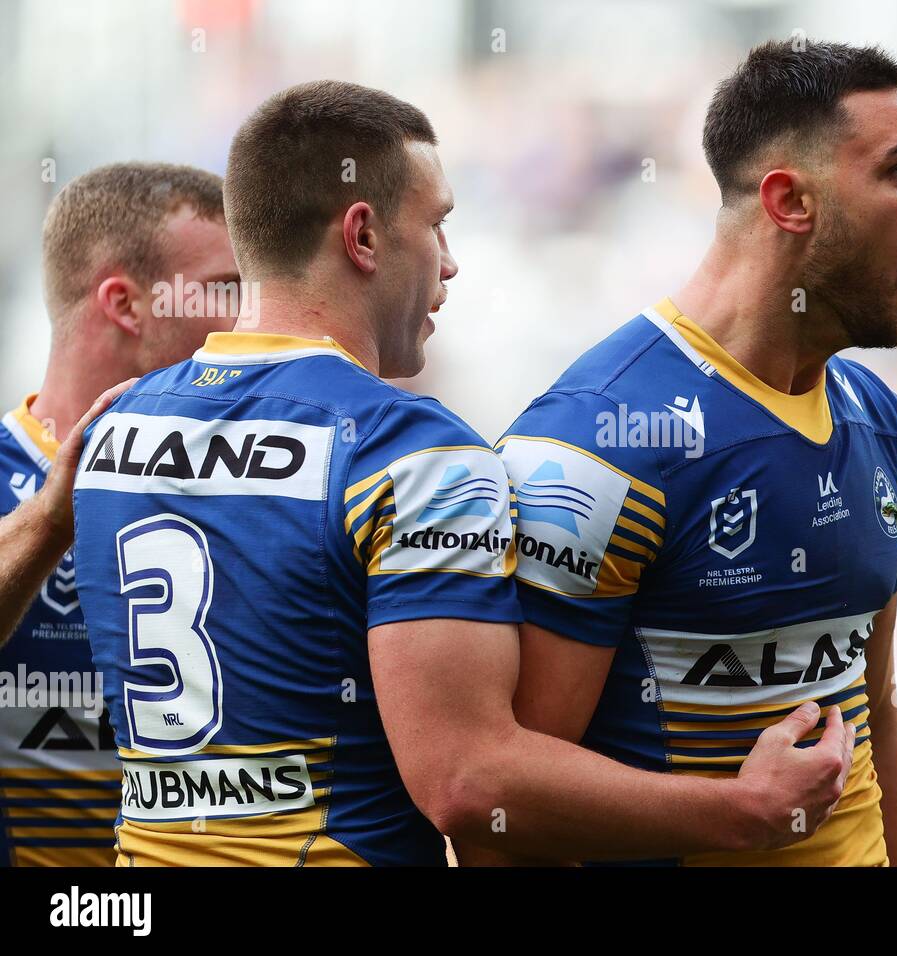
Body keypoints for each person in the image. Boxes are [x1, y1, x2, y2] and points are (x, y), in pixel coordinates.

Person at [71, 80, 851, 866]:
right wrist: (742, 809)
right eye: (437, 224)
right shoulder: (411, 453)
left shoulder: (117, 427)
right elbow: (468, 783)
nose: (450, 263)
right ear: (363, 236)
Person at [487, 40, 897, 866]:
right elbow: (507, 806)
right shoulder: (597, 446)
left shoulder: (883, 426)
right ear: (789, 200)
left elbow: (875, 706)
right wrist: (736, 813)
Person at [0, 162, 237, 866]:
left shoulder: (260, 480)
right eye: (227, 289)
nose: (252, 317)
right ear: (126, 304)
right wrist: (50, 520)